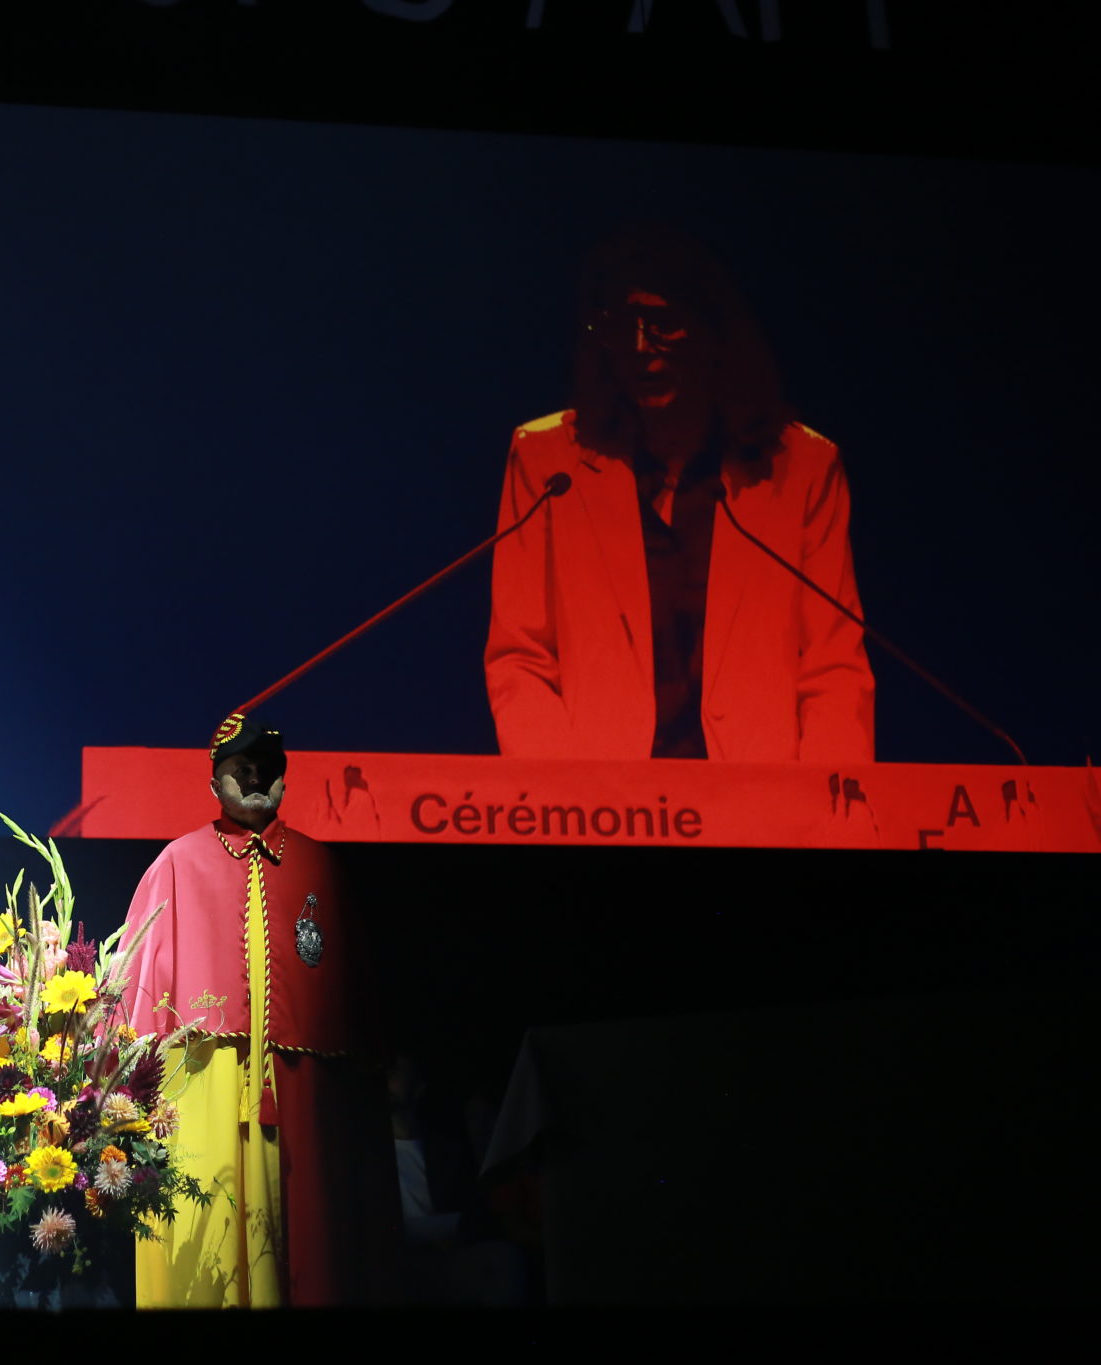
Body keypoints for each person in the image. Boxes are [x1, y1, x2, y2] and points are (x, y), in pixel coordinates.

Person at [485, 226, 876, 763]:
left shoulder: (803, 467)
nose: (640, 349)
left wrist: (823, 826)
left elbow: (833, 667)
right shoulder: (546, 460)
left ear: (713, 331)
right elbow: (520, 657)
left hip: (763, 810)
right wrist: (567, 807)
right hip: (598, 813)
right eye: (620, 328)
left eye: (664, 325)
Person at [119, 713, 396, 1308]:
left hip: (302, 1091)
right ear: (213, 781)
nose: (254, 779)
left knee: (309, 1244)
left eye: (266, 770)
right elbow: (136, 995)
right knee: (205, 1239)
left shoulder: (320, 865)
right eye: (240, 769)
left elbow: (356, 997)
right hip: (202, 1084)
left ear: (284, 782)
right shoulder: (177, 863)